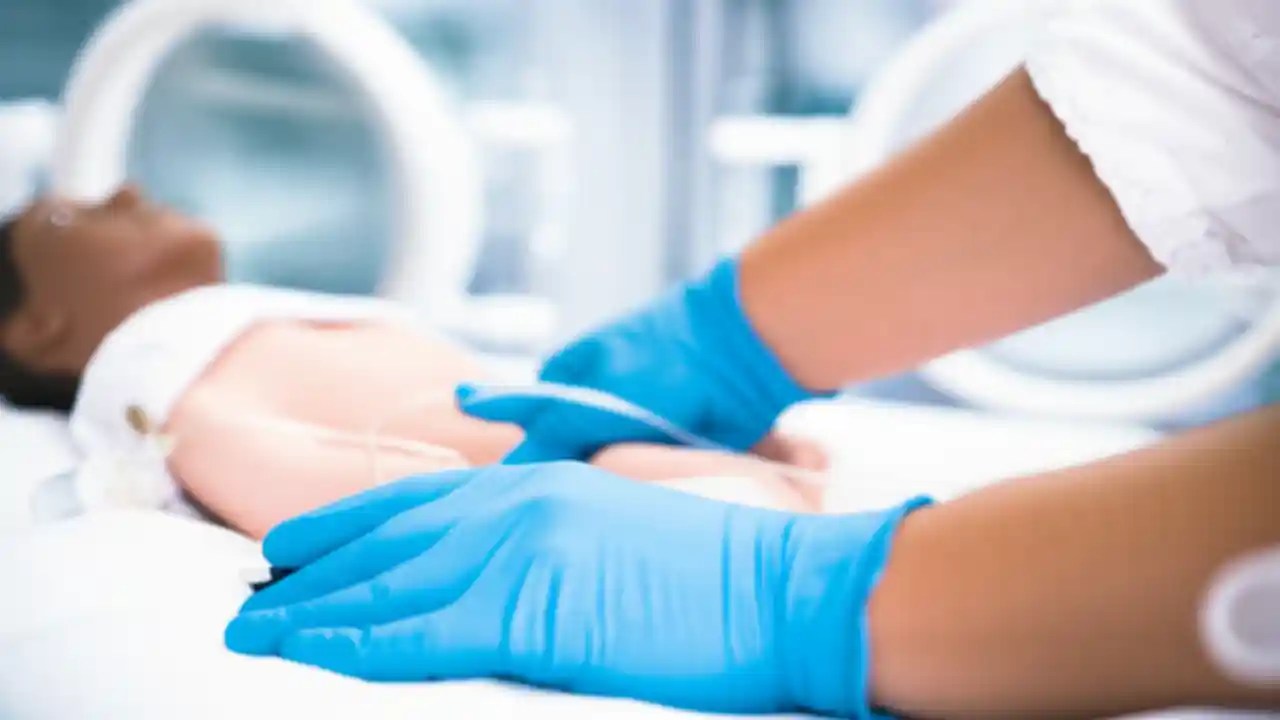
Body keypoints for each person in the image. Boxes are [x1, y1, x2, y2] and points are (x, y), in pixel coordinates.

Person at [226, 2, 1280, 718]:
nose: (115, 201)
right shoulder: (186, 361)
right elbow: (1213, 71)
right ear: (48, 332)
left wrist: (793, 595)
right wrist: (719, 344)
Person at [0, 187, 829, 538]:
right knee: (713, 504)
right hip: (512, 475)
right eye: (69, 218)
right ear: (35, 330)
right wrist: (409, 497)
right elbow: (221, 447)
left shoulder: (248, 307)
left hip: (548, 435)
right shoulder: (137, 361)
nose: (128, 190)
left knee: (734, 480)